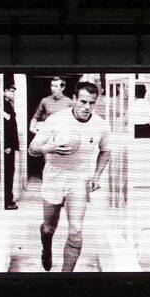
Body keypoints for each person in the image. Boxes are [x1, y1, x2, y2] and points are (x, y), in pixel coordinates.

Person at [28, 81, 111, 272]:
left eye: (91, 103)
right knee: (49, 228)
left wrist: (97, 176)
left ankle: (66, 276)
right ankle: (46, 248)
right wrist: (49, 148)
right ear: (74, 99)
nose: (87, 107)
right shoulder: (56, 120)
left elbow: (106, 150)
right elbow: (32, 149)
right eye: (83, 102)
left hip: (78, 179)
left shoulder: (100, 125)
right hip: (54, 176)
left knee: (76, 230)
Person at [3, 82, 20, 210]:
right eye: (11, 91)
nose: (13, 93)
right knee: (8, 173)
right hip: (7, 147)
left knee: (10, 172)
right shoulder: (2, 105)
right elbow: (5, 127)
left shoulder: (8, 104)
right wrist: (7, 145)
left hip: (10, 146)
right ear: (5, 91)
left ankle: (9, 198)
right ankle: (7, 200)